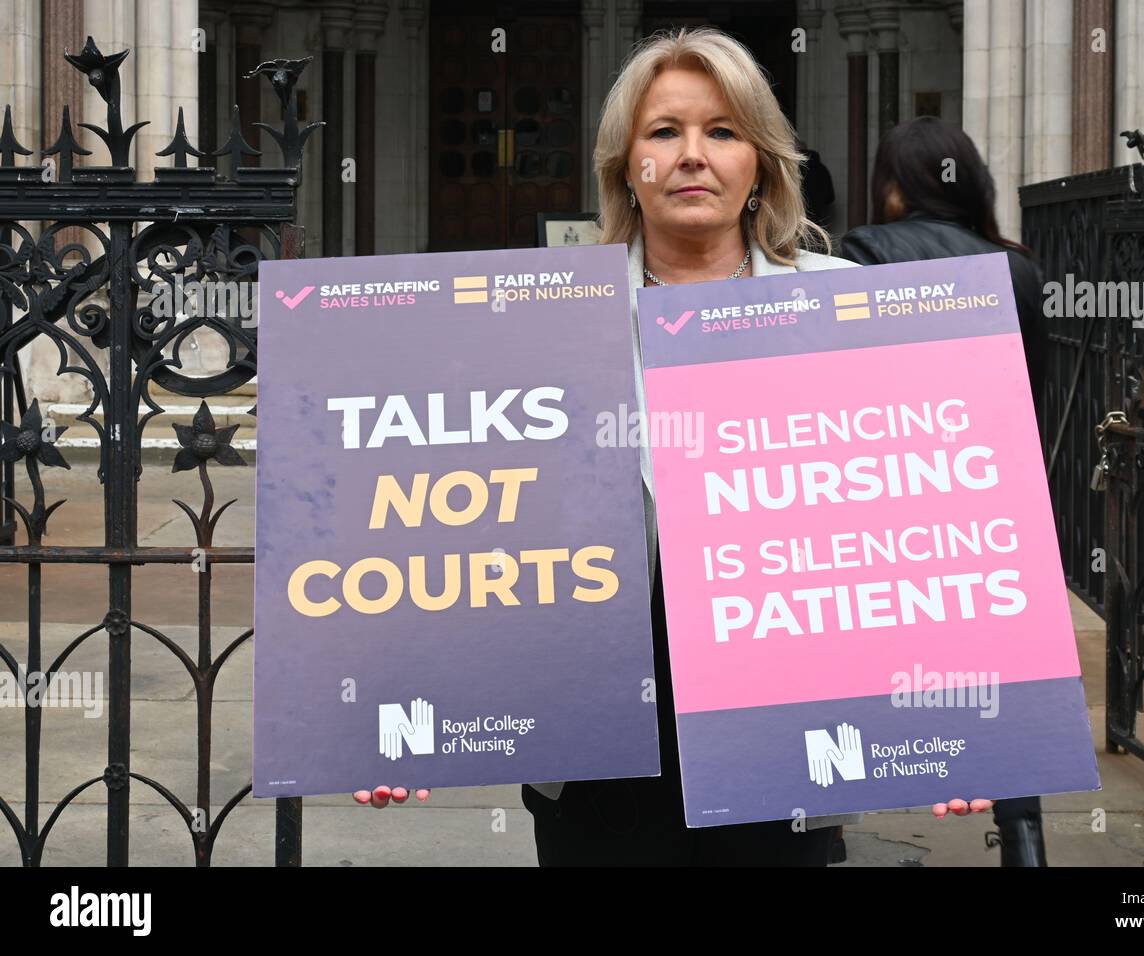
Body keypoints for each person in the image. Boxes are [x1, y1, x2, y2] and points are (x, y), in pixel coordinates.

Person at [355, 28, 992, 866]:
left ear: (761, 163)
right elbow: (447, 521)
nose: (693, 155)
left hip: (783, 722)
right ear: (626, 164)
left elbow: (922, 521)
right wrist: (408, 709)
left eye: (722, 132)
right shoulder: (534, 315)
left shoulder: (844, 308)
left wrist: (951, 727)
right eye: (664, 133)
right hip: (593, 733)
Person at [838, 115, 1051, 866]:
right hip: (992, 493)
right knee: (1002, 672)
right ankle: (1022, 834)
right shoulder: (1017, 266)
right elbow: (1032, 393)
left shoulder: (862, 255)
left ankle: (817, 804)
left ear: (894, 187)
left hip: (894, 487)